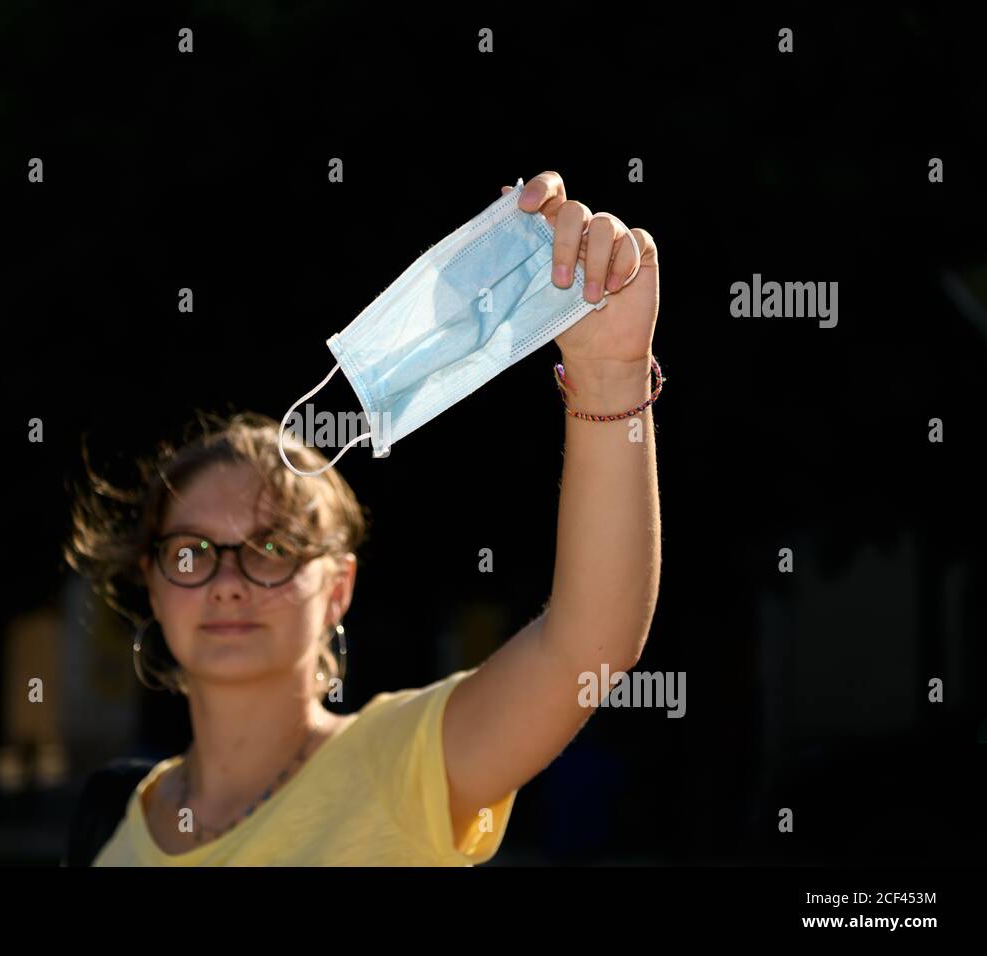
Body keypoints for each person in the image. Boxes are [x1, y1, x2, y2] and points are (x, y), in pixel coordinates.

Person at [65, 169, 663, 865]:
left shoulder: (406, 763)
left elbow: (587, 647)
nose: (227, 583)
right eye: (193, 553)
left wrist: (610, 374)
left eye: (271, 548)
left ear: (339, 586)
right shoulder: (111, 825)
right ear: (153, 582)